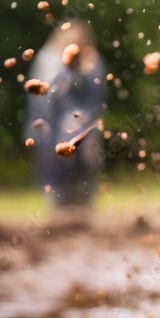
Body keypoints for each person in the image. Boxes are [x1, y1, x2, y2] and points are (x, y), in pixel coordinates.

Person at [26, 22, 105, 209]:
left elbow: (97, 98)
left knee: (84, 178)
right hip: (50, 130)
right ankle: (59, 219)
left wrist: (87, 71)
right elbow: (43, 100)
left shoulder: (92, 60)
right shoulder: (49, 59)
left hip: (82, 132)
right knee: (55, 181)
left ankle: (84, 218)